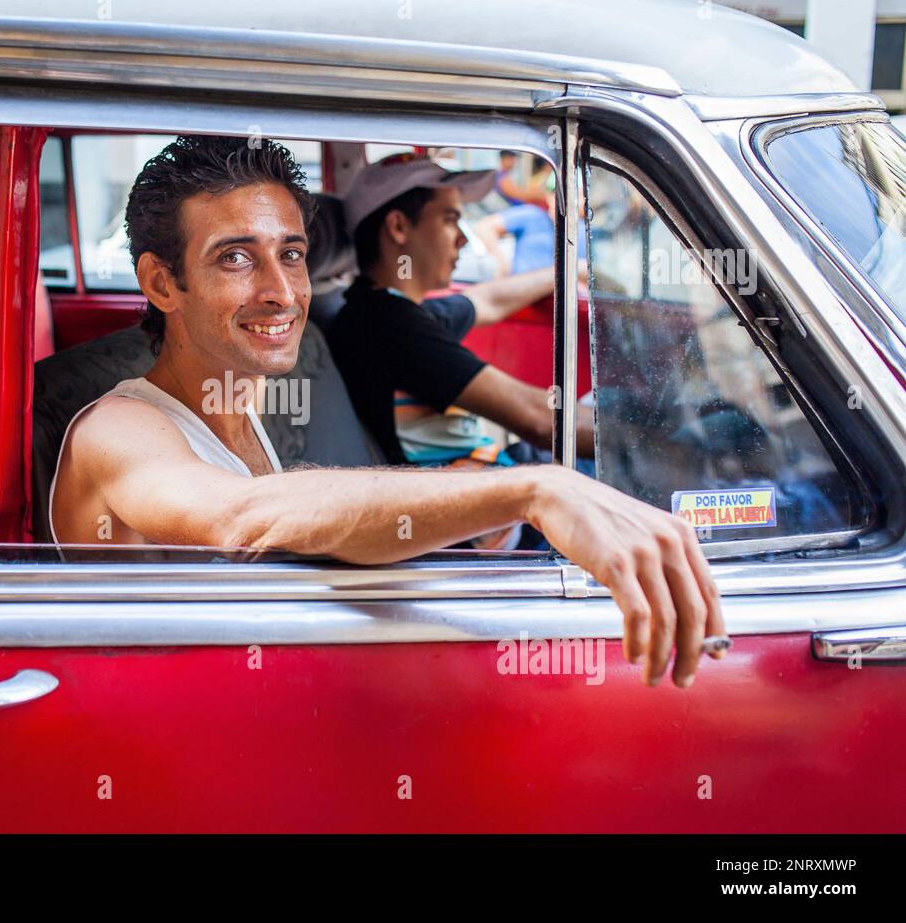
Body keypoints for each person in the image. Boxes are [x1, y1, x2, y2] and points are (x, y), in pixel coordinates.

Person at [47, 135, 723, 689]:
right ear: (163, 282)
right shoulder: (118, 429)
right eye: (235, 259)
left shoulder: (241, 400)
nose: (282, 292)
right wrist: (535, 489)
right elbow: (239, 517)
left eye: (291, 255)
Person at [326, 153, 595, 468]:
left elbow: (487, 301)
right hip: (480, 499)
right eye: (450, 219)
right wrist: (635, 431)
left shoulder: (388, 309)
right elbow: (540, 420)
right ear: (398, 226)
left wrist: (567, 271)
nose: (464, 239)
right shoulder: (387, 325)